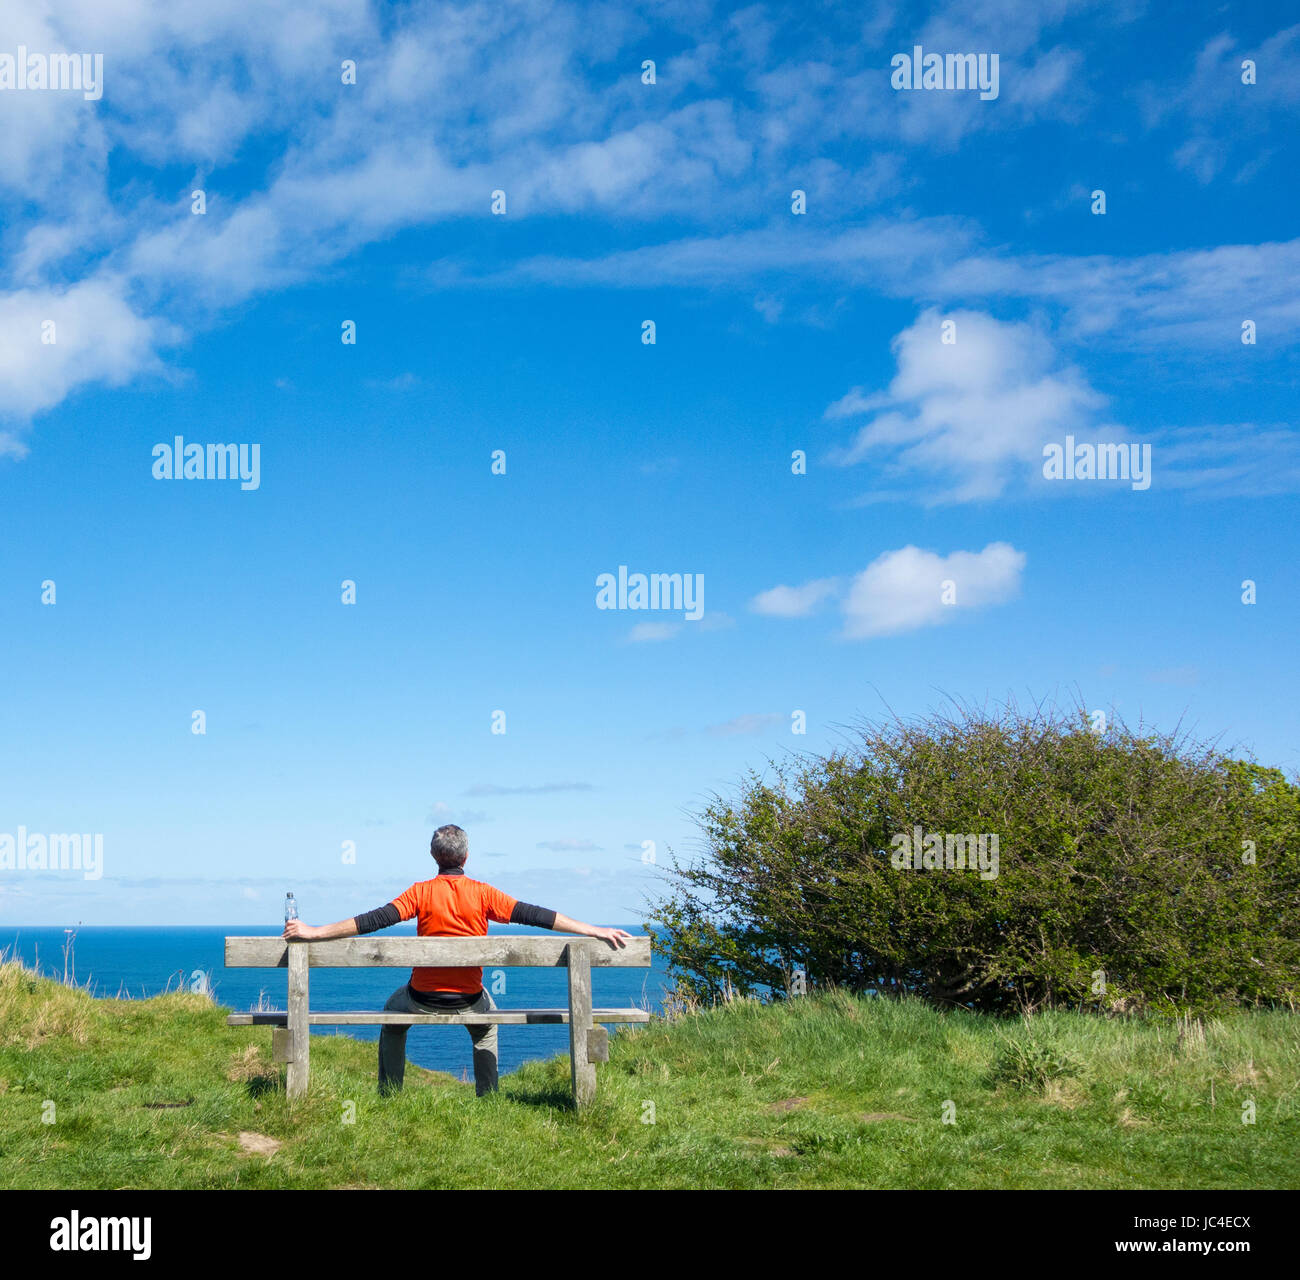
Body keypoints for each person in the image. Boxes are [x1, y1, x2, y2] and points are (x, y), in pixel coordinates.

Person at [282, 824, 630, 1096]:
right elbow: (536, 915)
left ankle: (389, 1094)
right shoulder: (483, 893)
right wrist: (591, 929)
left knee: (391, 1018)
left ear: (434, 856)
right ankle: (488, 1096)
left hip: (420, 999)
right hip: (469, 999)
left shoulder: (419, 892)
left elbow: (372, 920)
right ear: (466, 857)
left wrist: (313, 932)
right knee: (487, 1027)